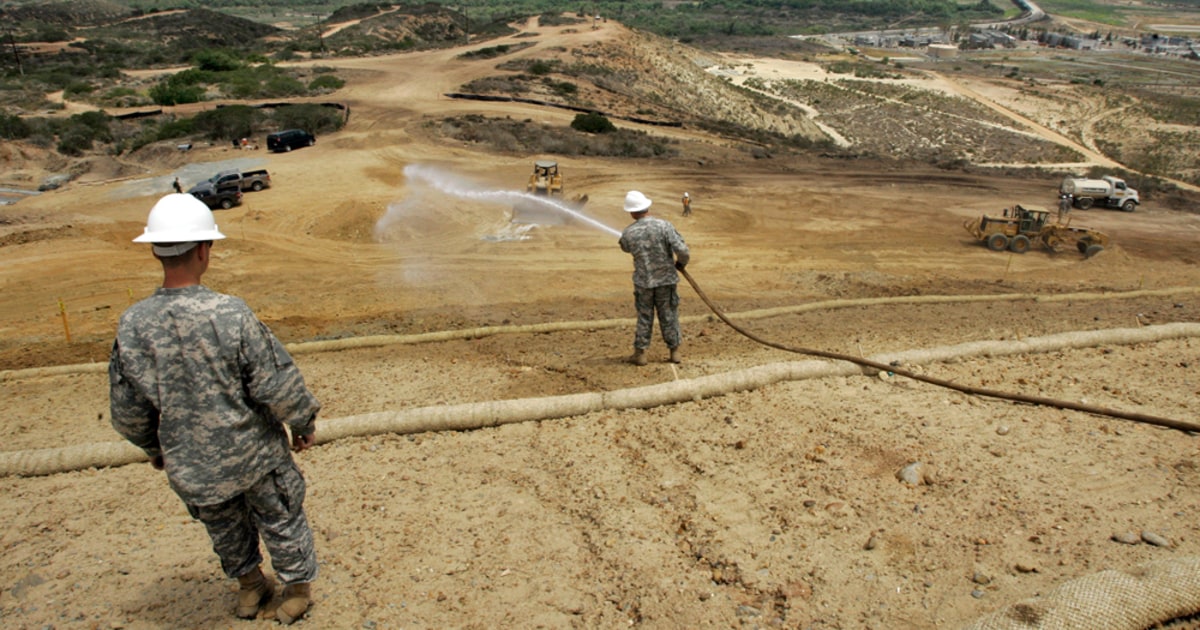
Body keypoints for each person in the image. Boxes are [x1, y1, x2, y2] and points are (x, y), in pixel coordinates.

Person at [108, 193, 321, 625]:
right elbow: (275, 382)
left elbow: (127, 409)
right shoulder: (230, 313)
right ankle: (296, 592)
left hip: (193, 464)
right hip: (256, 457)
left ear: (155, 250)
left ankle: (250, 588)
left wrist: (155, 447)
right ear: (204, 250)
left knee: (224, 528)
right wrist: (302, 422)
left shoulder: (133, 325)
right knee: (280, 517)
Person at [618, 190, 690, 366]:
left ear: (632, 212)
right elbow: (683, 251)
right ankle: (674, 352)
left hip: (643, 282)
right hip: (666, 281)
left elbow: (625, 248)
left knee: (644, 316)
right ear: (647, 207)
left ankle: (640, 354)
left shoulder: (628, 233)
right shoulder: (665, 226)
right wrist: (681, 263)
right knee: (669, 315)